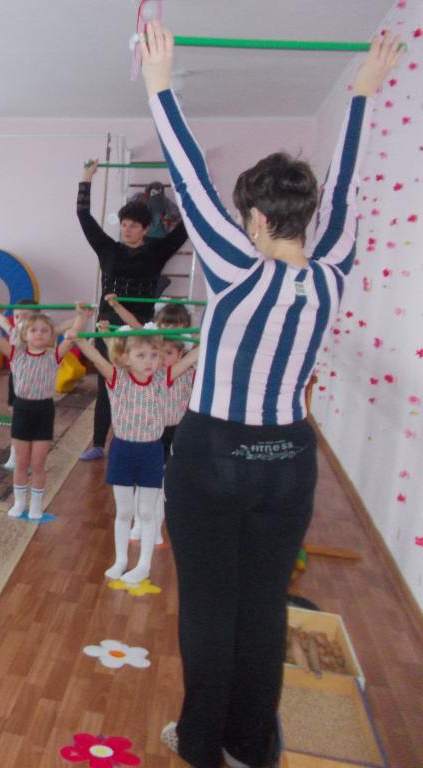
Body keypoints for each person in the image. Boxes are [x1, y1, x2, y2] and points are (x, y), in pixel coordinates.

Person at [139, 22, 402, 767]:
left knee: (210, 610)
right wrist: (360, 99)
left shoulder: (237, 264)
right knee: (261, 607)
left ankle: (198, 744)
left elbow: (186, 177)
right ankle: (250, 746)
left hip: (214, 453)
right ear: (304, 215)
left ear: (253, 217)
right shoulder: (333, 268)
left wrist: (160, 84)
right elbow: (349, 190)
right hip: (289, 460)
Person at [76, 157, 189, 461]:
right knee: (108, 382)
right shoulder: (108, 249)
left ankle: (149, 439)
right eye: (124, 225)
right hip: (108, 326)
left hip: (141, 329)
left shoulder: (157, 250)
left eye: (133, 226)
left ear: (146, 228)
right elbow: (83, 216)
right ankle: (99, 442)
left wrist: (189, 185)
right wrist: (86, 178)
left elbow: (186, 226)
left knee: (146, 384)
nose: (126, 230)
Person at [77, 329, 197, 584]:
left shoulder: (163, 378)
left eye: (154, 355)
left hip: (151, 452)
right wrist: (77, 339)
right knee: (124, 511)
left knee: (146, 511)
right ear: (126, 358)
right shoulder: (116, 377)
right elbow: (98, 359)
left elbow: (188, 360)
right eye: (141, 355)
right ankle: (121, 560)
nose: (149, 361)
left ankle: (144, 565)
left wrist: (210, 334)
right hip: (122, 450)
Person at [0, 301, 87, 519]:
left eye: (44, 330)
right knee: (21, 463)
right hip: (22, 409)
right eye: (34, 330)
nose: (39, 334)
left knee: (38, 464)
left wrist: (82, 316)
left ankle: (36, 504)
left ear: (51, 336)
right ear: (24, 335)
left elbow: (74, 332)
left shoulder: (55, 355)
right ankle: (20, 502)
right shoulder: (16, 355)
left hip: (44, 410)